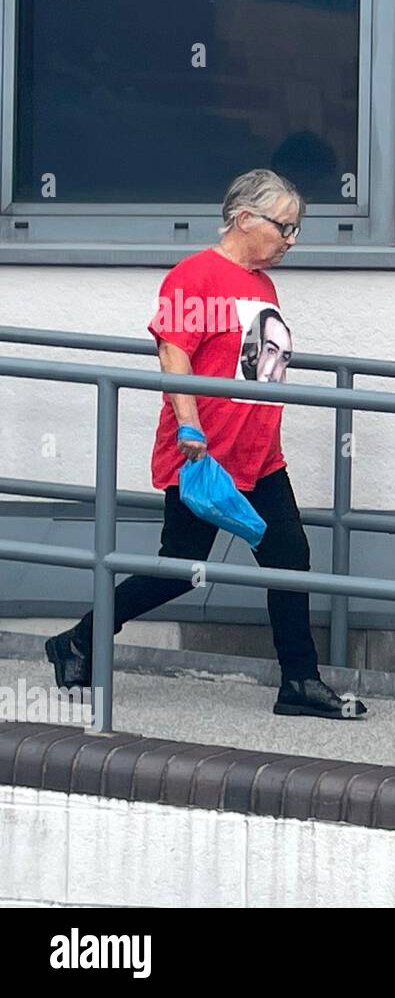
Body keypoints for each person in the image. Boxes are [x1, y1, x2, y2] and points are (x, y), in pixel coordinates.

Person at [45, 169, 366, 721]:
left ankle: (299, 681)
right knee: (182, 568)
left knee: (289, 558)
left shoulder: (262, 284)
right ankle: (80, 639)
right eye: (285, 227)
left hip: (260, 456)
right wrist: (190, 427)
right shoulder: (194, 276)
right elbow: (174, 353)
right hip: (204, 455)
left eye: (296, 229)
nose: (292, 240)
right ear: (245, 219)